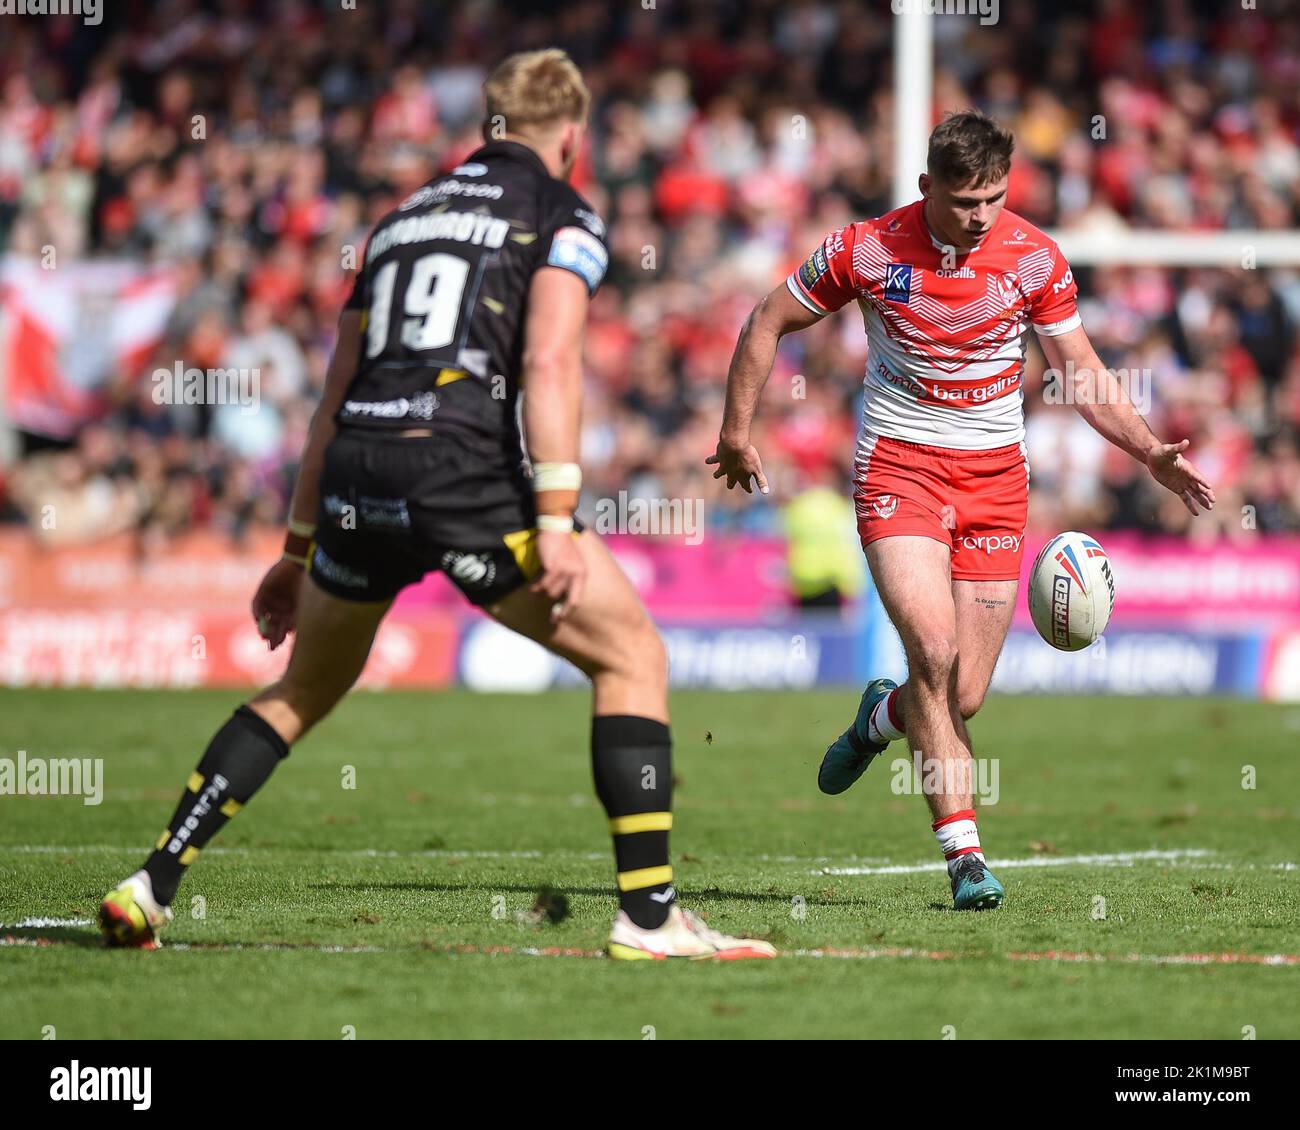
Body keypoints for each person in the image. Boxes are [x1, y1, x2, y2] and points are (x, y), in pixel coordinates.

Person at [100, 49, 774, 961]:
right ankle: (650, 919)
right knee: (632, 655)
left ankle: (153, 881)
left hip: (360, 473)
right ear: (571, 134)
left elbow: (332, 400)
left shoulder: (398, 221)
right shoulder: (559, 212)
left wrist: (297, 551)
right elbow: (547, 361)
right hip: (461, 474)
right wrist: (555, 523)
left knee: (304, 689)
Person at [708, 110, 1215, 911]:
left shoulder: (1034, 258)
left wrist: (1147, 449)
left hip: (994, 484)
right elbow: (768, 318)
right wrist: (736, 433)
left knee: (962, 694)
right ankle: (965, 858)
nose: (981, 215)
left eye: (994, 197)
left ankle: (883, 717)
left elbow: (1078, 370)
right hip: (899, 470)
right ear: (926, 188)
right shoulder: (867, 249)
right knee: (935, 651)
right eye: (964, 200)